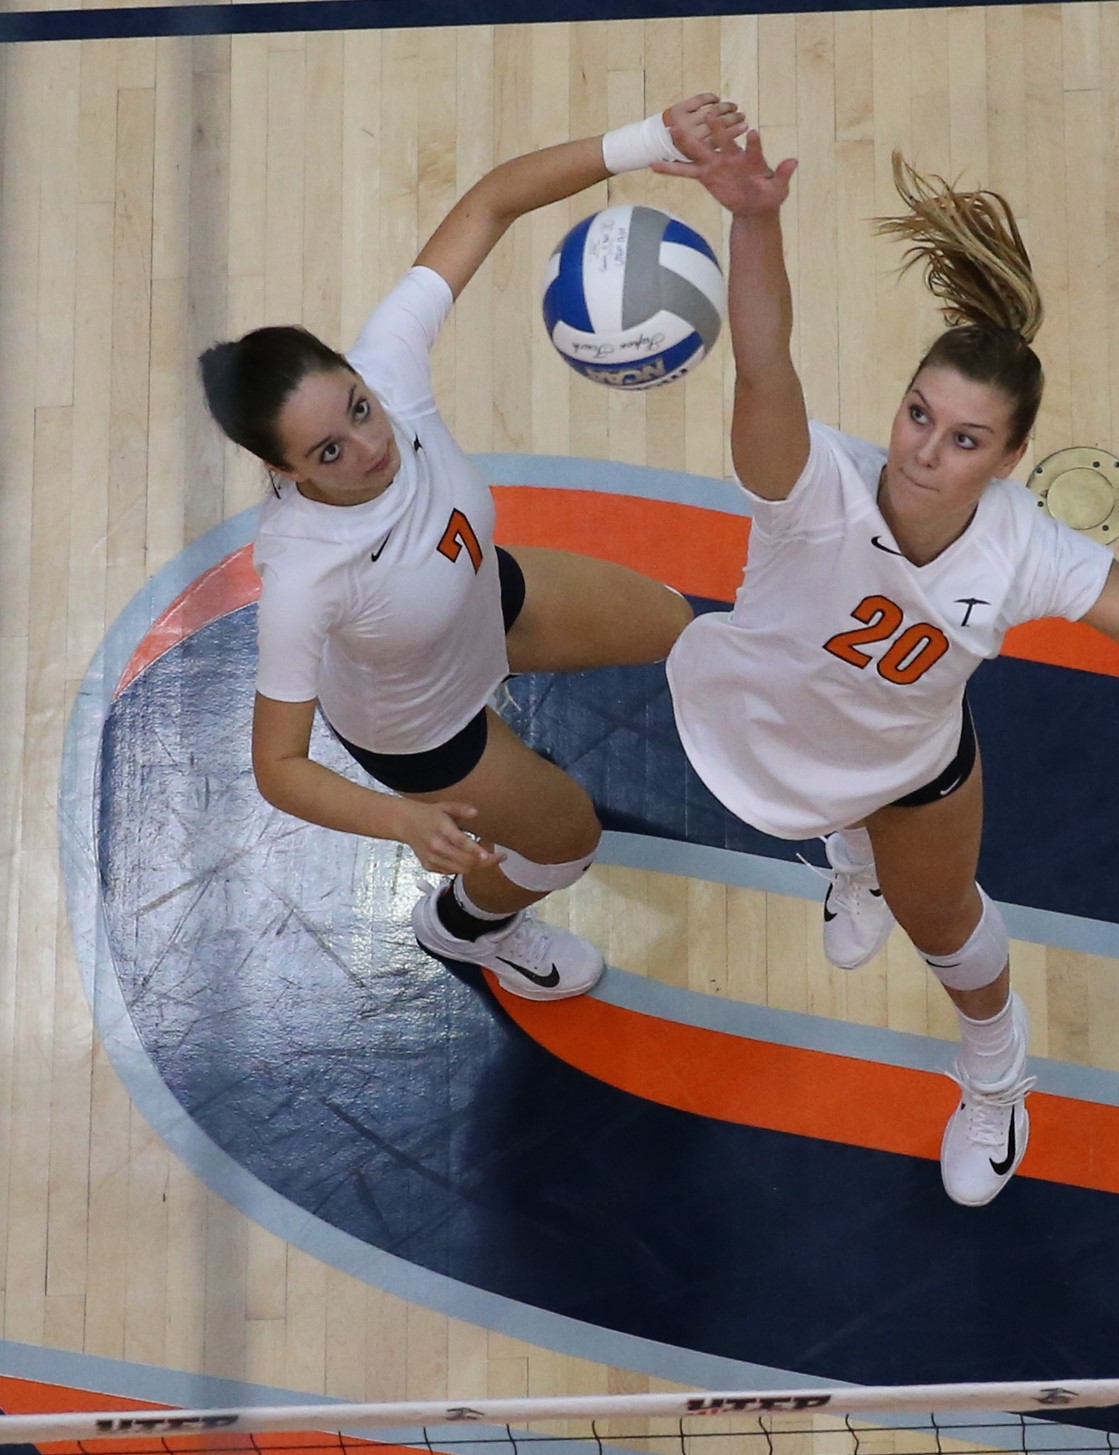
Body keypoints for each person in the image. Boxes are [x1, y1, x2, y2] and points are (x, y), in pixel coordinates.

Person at [656, 119, 1119, 1206]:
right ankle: (845, 855)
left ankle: (995, 1076)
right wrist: (752, 220)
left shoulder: (1030, 553)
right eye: (917, 413)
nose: (923, 449)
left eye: (963, 439)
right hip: (783, 722)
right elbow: (765, 360)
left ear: (1008, 460)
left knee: (946, 933)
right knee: (826, 803)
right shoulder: (813, 486)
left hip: (909, 769)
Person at [199, 95, 745, 1004]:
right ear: (283, 470)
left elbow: (491, 201)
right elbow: (279, 767)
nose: (368, 448)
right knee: (566, 841)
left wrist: (652, 139)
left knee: (678, 626)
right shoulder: (304, 575)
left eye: (358, 411)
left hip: (493, 602)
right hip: (422, 727)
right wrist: (401, 817)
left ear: (360, 376)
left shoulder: (392, 367)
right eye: (327, 452)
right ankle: (464, 926)